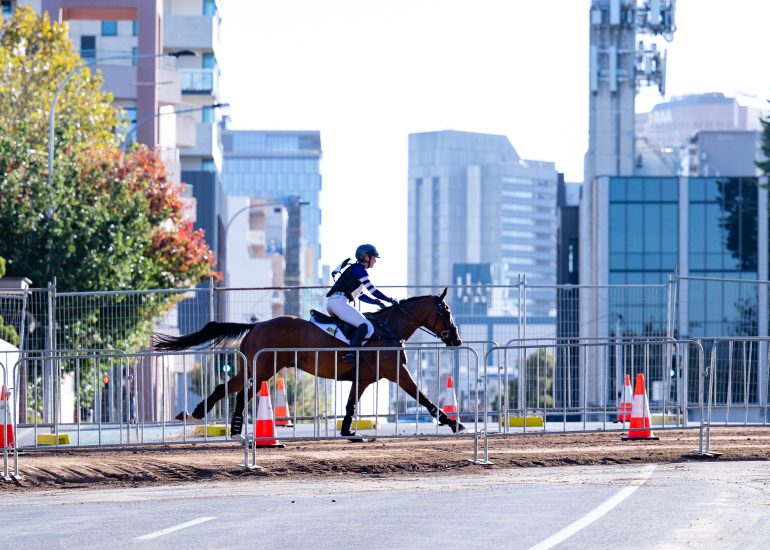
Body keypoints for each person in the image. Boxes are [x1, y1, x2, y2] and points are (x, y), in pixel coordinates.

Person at [326, 244, 399, 363]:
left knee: (358, 325)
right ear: (366, 257)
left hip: (334, 303)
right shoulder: (359, 270)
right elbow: (373, 290)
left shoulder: (355, 270)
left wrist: (376, 302)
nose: (375, 261)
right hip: (338, 303)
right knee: (367, 326)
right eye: (374, 258)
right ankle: (352, 353)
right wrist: (389, 299)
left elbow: (361, 296)